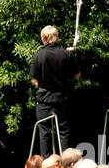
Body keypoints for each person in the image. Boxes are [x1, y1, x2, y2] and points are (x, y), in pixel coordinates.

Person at [30, 25, 79, 157]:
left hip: (44, 99)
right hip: (62, 99)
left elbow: (34, 80)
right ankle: (66, 165)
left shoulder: (38, 55)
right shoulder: (66, 54)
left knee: (44, 132)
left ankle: (46, 164)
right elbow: (77, 75)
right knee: (63, 132)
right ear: (56, 37)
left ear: (43, 38)